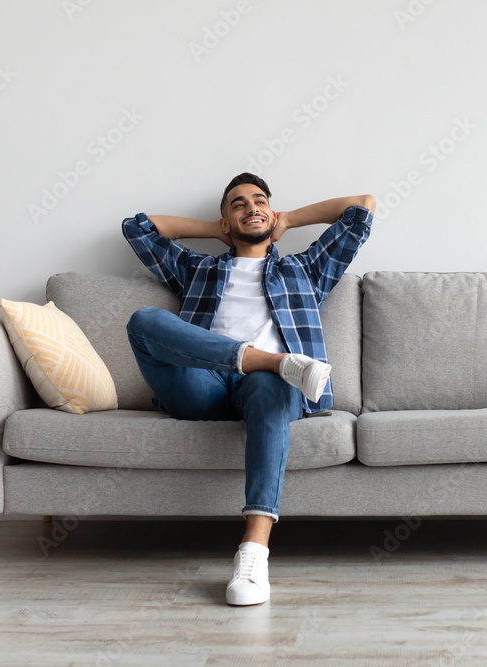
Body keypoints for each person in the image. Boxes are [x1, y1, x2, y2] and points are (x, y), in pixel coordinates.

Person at [121, 173, 374, 605]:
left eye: (260, 202)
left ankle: (254, 553)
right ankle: (272, 359)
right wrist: (214, 230)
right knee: (143, 321)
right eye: (238, 205)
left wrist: (288, 219)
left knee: (270, 383)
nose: (251, 208)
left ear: (271, 213)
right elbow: (138, 228)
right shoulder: (198, 269)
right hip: (205, 385)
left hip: (268, 389)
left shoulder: (305, 269)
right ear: (226, 221)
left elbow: (362, 208)